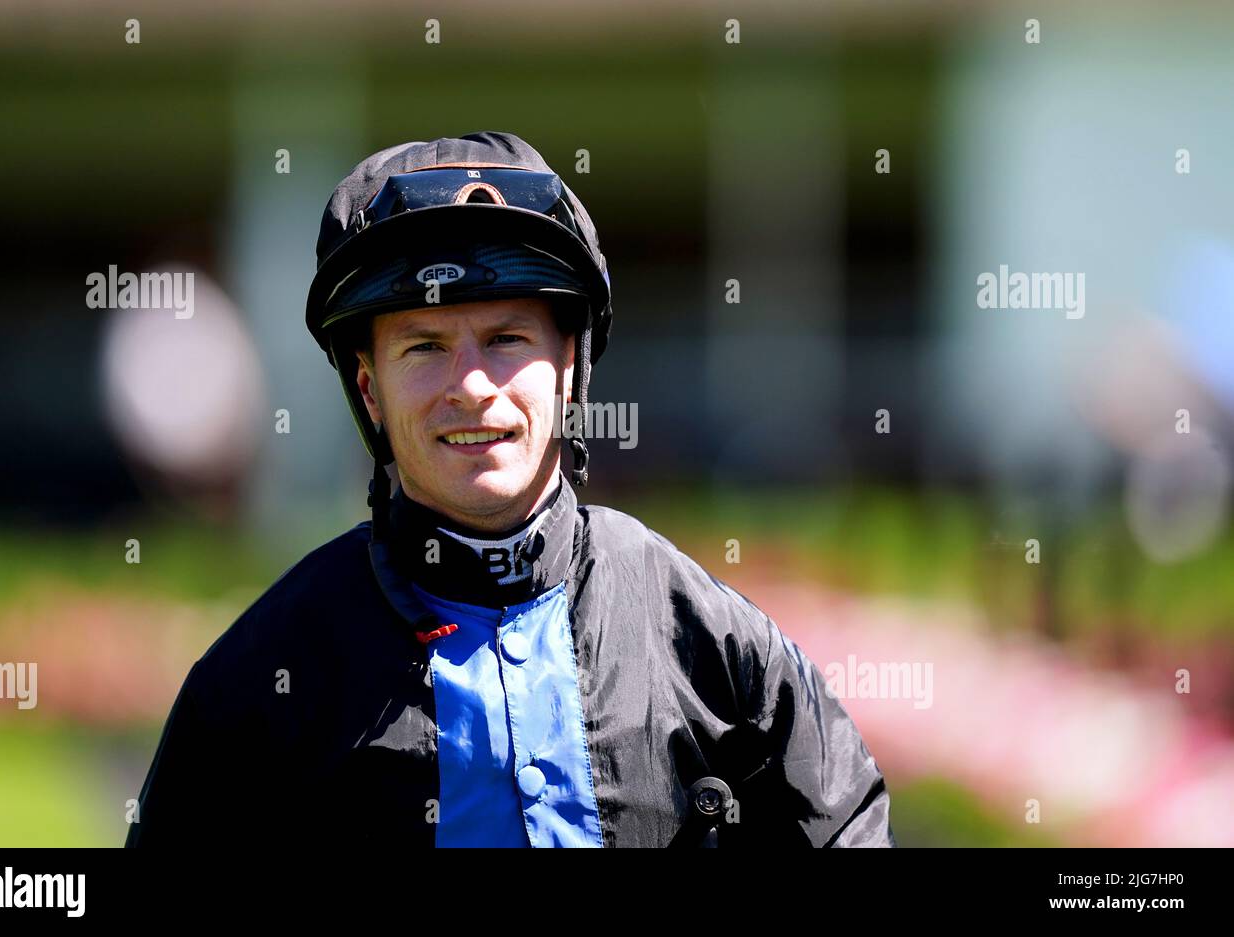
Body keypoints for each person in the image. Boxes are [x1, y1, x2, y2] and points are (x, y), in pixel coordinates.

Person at [126, 130, 896, 848]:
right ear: (369, 390)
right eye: (425, 346)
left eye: (506, 339)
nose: (471, 386)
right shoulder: (257, 680)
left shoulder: (710, 640)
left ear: (569, 367)